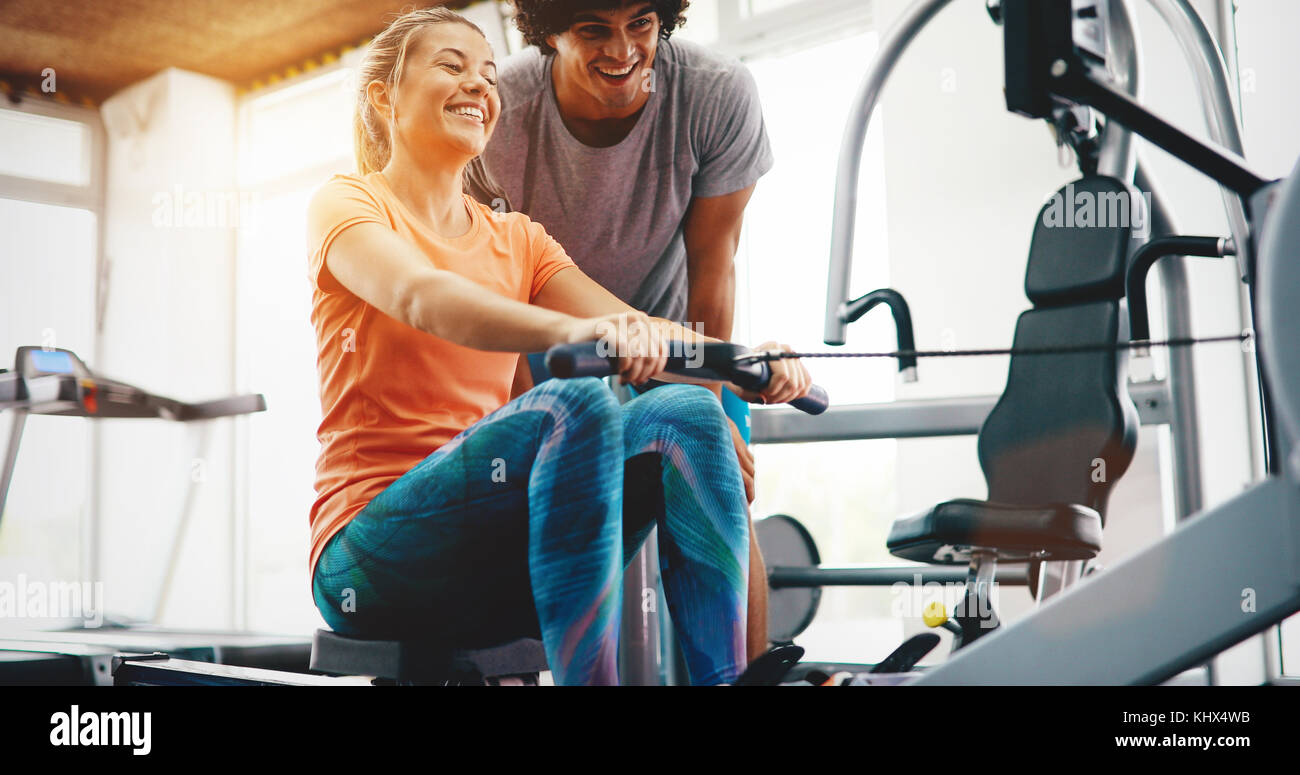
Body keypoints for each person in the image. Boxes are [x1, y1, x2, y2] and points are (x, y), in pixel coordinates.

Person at [305, 6, 812, 685]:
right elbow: (422, 297)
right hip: (370, 563)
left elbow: (638, 323)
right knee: (575, 404)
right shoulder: (348, 203)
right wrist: (584, 336)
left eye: (487, 74)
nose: (480, 86)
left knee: (688, 415)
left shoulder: (519, 240)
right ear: (384, 97)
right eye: (451, 67)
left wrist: (747, 361)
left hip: (494, 564)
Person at [465, 0, 778, 661]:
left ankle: (742, 677)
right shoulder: (501, 113)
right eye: (594, 31)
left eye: (642, 22)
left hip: (671, 334)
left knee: (719, 483)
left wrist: (714, 403)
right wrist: (516, 415)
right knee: (539, 518)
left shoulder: (717, 93)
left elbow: (713, 272)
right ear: (549, 31)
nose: (625, 48)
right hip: (553, 345)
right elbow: (495, 285)